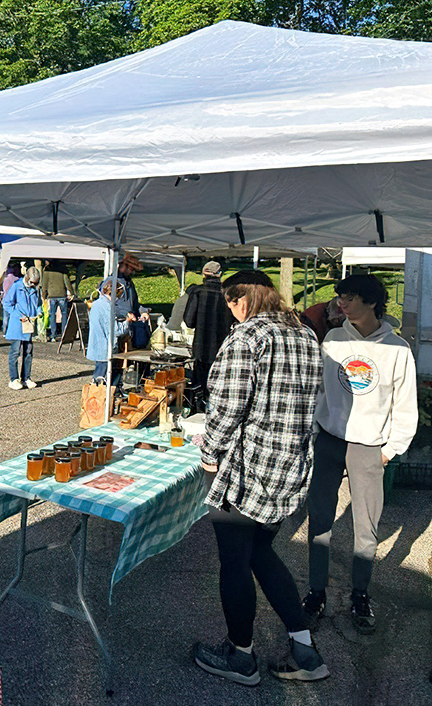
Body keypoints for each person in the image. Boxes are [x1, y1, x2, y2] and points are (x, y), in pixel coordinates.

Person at [192, 271, 328, 687]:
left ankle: (241, 655)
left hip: (250, 469)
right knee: (261, 554)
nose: (230, 312)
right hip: (289, 466)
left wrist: (209, 452)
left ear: (242, 299)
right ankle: (304, 648)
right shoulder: (306, 335)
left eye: (230, 303)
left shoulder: (248, 338)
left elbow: (228, 408)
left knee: (234, 561)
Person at [303, 273, 418, 634]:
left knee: (365, 526)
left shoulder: (397, 349)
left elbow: (404, 405)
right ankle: (316, 592)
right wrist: (315, 431)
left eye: (349, 297)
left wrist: (390, 450)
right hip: (330, 439)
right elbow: (318, 390)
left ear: (371, 302)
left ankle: (360, 594)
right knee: (319, 520)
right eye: (339, 297)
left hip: (370, 445)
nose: (341, 303)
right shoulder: (334, 340)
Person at [183, 261, 233, 408]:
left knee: (200, 388)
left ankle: (199, 411)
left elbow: (189, 321)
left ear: (204, 274)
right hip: (221, 348)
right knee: (218, 389)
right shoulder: (227, 294)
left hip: (201, 348)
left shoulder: (197, 292)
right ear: (220, 274)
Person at [3, 266, 42, 390]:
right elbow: (7, 303)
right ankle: (14, 379)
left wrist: (39, 312)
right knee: (15, 352)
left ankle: (26, 378)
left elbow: (38, 303)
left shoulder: (35, 289)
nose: (33, 285)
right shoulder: (16, 286)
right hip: (17, 324)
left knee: (28, 352)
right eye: (32, 282)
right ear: (27, 277)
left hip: (29, 324)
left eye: (36, 283)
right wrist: (16, 314)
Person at [86, 278, 130, 383]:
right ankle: (103, 396)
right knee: (103, 378)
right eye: (118, 296)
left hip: (97, 344)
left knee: (99, 374)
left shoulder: (96, 304)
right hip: (105, 347)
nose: (118, 299)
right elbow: (117, 330)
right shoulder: (107, 307)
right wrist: (127, 321)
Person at [41, 261, 73, 342]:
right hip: (62, 294)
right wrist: (72, 292)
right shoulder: (62, 270)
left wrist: (44, 296)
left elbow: (44, 285)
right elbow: (67, 282)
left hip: (51, 295)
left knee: (52, 315)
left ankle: (53, 335)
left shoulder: (47, 271)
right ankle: (64, 333)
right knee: (64, 314)